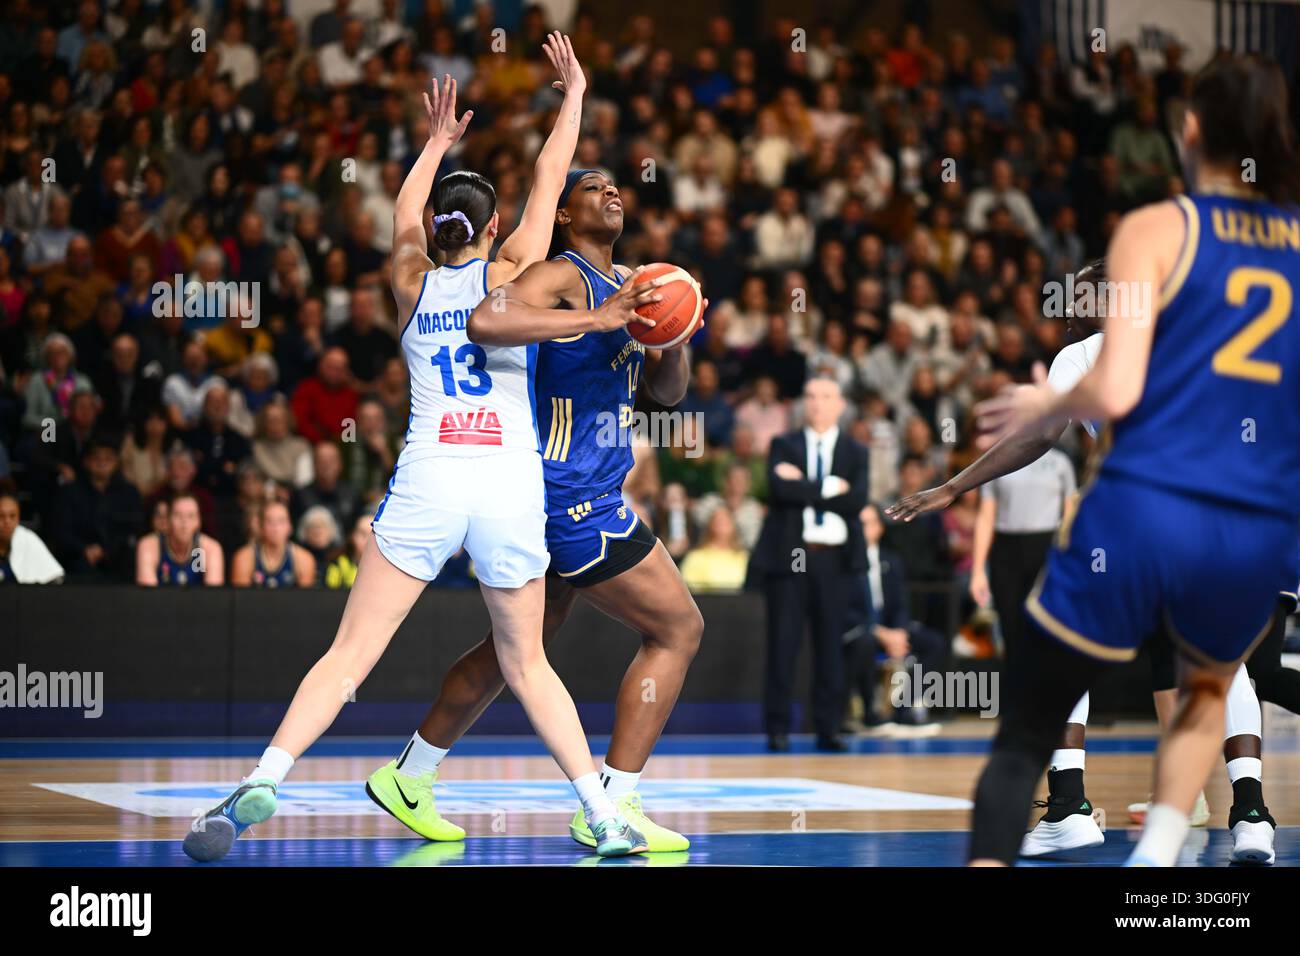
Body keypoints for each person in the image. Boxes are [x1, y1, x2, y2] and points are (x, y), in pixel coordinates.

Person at [185, 41, 651, 862]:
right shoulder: (514, 273)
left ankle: (264, 773)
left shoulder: (410, 279)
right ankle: (603, 814)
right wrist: (573, 92)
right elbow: (552, 173)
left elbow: (405, 215)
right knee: (528, 661)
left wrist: (433, 145)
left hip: (428, 476)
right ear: (497, 228)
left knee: (348, 656)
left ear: (438, 229)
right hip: (507, 481)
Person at [965, 55, 1300, 867]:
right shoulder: (1293, 241)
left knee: (1025, 725)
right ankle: (1162, 860)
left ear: (1190, 132)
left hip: (1148, 508)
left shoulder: (1159, 229)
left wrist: (1048, 405)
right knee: (1207, 691)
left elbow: (1114, 389)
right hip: (1253, 522)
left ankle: (1062, 815)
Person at [891, 258, 1279, 863]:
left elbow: (1035, 434)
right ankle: (1251, 815)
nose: (1078, 304)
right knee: (1224, 666)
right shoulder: (1191, 335)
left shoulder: (1092, 354)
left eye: (1089, 293)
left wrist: (953, 486)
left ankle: (1070, 807)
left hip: (1142, 518)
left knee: (1059, 649)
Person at [370, 163, 706, 854]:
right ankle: (612, 800)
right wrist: (597, 317)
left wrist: (670, 335)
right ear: (564, 213)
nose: (612, 192)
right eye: (593, 187)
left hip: (572, 490)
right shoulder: (560, 276)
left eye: (617, 186)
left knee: (514, 652)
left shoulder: (633, 282)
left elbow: (667, 396)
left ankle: (412, 772)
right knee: (678, 627)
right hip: (568, 495)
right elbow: (486, 319)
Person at [749, 376, 869, 752]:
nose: (817, 403)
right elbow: (778, 490)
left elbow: (857, 501)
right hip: (790, 559)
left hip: (834, 561)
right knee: (782, 645)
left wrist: (805, 487)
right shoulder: (783, 444)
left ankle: (828, 727)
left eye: (826, 397)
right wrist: (830, 487)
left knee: (830, 646)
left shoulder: (856, 451)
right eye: (811, 396)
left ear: (840, 405)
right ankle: (778, 728)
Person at [842, 502, 946, 730]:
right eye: (858, 525)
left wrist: (898, 632)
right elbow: (845, 611)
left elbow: (900, 604)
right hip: (862, 631)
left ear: (880, 528)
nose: (863, 530)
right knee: (864, 642)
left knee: (934, 643)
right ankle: (870, 711)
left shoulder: (892, 561)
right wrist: (881, 634)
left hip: (890, 628)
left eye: (868, 524)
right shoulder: (844, 563)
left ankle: (904, 707)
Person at [136, 490, 224, 587]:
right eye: (178, 515)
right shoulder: (150, 546)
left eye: (191, 516)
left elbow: (214, 598)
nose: (184, 523)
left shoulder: (209, 548)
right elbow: (147, 597)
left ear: (199, 521)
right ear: (168, 520)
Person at [231, 499, 316, 587]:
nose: (275, 528)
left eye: (281, 521)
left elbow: (306, 599)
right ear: (260, 526)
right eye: (269, 521)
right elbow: (239, 598)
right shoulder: (244, 557)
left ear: (290, 526)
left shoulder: (303, 559)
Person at [0, 488, 64, 584]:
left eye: (12, 516)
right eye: (1, 516)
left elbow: (56, 577)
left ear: (18, 518)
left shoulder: (28, 539)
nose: (7, 522)